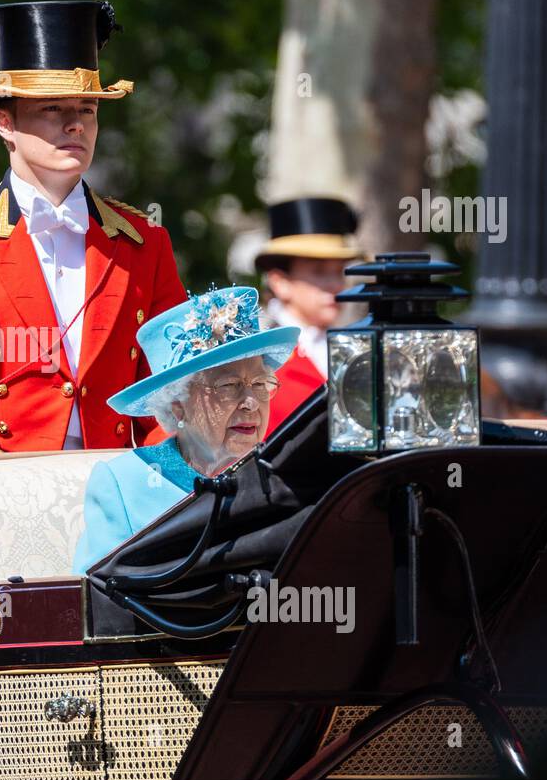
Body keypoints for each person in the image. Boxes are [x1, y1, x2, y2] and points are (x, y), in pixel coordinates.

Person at [0, 0, 187, 454]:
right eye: (52, 109)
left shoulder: (144, 243)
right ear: (5, 122)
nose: (75, 124)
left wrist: (165, 479)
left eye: (88, 109)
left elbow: (168, 387)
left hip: (117, 479)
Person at [73, 287, 297, 572]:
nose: (251, 403)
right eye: (229, 386)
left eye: (259, 384)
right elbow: (91, 598)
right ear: (178, 404)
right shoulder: (124, 482)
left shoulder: (281, 476)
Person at [255, 197, 362, 433]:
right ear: (280, 282)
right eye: (319, 271)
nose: (336, 285)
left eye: (339, 272)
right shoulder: (254, 350)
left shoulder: (352, 346)